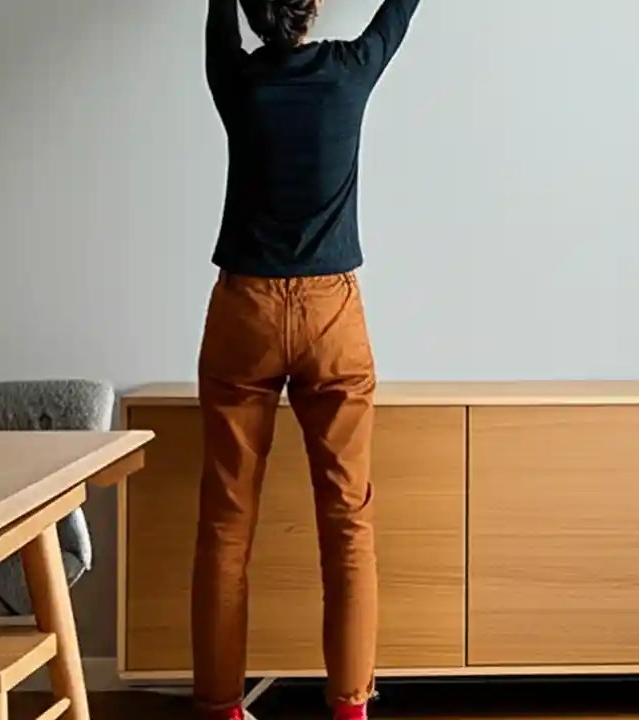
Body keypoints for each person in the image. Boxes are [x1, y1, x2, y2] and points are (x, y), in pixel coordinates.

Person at [196, 0, 423, 718]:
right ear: (312, 7)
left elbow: (217, 25)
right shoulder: (350, 72)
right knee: (348, 519)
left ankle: (221, 706)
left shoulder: (236, 80)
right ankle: (349, 707)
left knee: (227, 522)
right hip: (331, 312)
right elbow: (399, 13)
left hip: (245, 313)